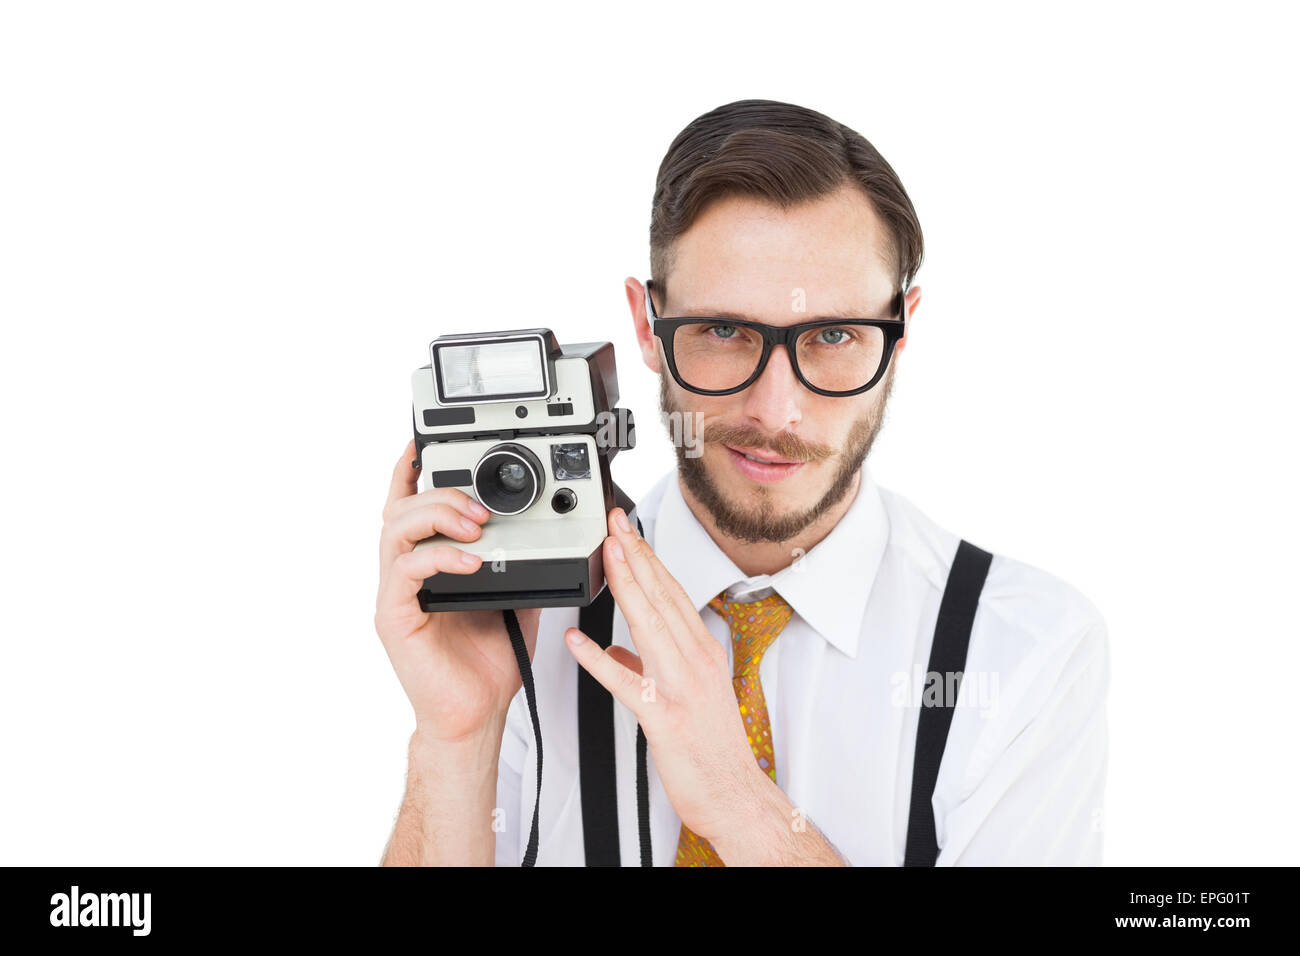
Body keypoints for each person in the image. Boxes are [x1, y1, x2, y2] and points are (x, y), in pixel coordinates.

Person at [373, 99, 1110, 866]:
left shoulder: (1024, 651)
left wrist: (735, 799)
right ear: (646, 324)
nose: (776, 411)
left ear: (901, 332)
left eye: (833, 336)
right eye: (724, 332)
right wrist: (456, 738)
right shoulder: (520, 628)